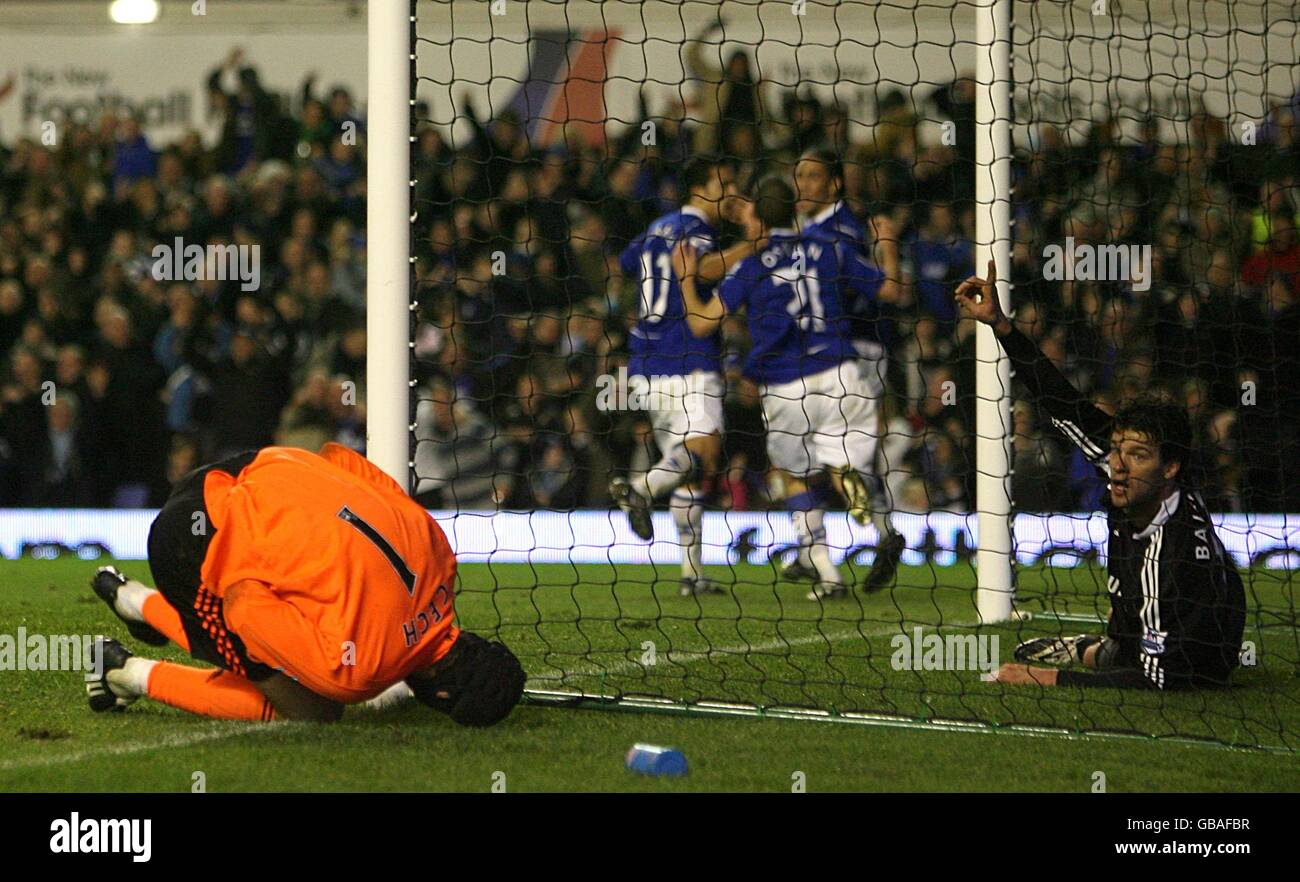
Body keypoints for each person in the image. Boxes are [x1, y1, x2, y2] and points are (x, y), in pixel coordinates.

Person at [954, 261, 1246, 690]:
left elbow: (1161, 680)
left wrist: (1049, 678)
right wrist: (1002, 325)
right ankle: (1102, 644)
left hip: (1201, 653)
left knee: (1141, 656)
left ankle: (1099, 650)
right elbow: (1060, 400)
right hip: (1181, 607)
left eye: (1138, 455)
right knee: (1124, 621)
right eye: (1117, 450)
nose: (1119, 466)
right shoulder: (1143, 481)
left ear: (1170, 468)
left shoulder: (1172, 552)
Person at [85, 443, 525, 724]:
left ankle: (134, 600)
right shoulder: (362, 670)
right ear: (442, 694)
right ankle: (124, 673)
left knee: (297, 602)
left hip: (251, 464)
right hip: (190, 540)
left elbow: (346, 462)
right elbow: (244, 609)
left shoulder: (442, 558)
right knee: (311, 708)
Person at [676, 176, 901, 599]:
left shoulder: (752, 265)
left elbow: (702, 321)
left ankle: (828, 575)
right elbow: (890, 290)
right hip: (842, 374)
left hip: (786, 384)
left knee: (790, 478)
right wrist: (888, 244)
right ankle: (875, 519)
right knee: (840, 466)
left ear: (758, 217)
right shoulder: (827, 247)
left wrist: (687, 281)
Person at [608, 156, 759, 597]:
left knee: (689, 471)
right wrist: (752, 243)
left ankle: (692, 573)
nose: (729, 190)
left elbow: (625, 261)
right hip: (688, 357)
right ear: (699, 187)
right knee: (706, 450)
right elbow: (705, 268)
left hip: (645, 362)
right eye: (723, 180)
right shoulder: (697, 230)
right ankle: (640, 488)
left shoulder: (656, 227)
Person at [792, 148, 907, 588]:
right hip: (834, 352)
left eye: (813, 175)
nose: (802, 184)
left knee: (819, 452)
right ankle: (825, 544)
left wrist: (889, 248)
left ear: (834, 184)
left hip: (851, 351)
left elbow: (888, 290)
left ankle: (869, 534)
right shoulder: (817, 229)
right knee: (822, 452)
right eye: (799, 174)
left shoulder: (839, 232)